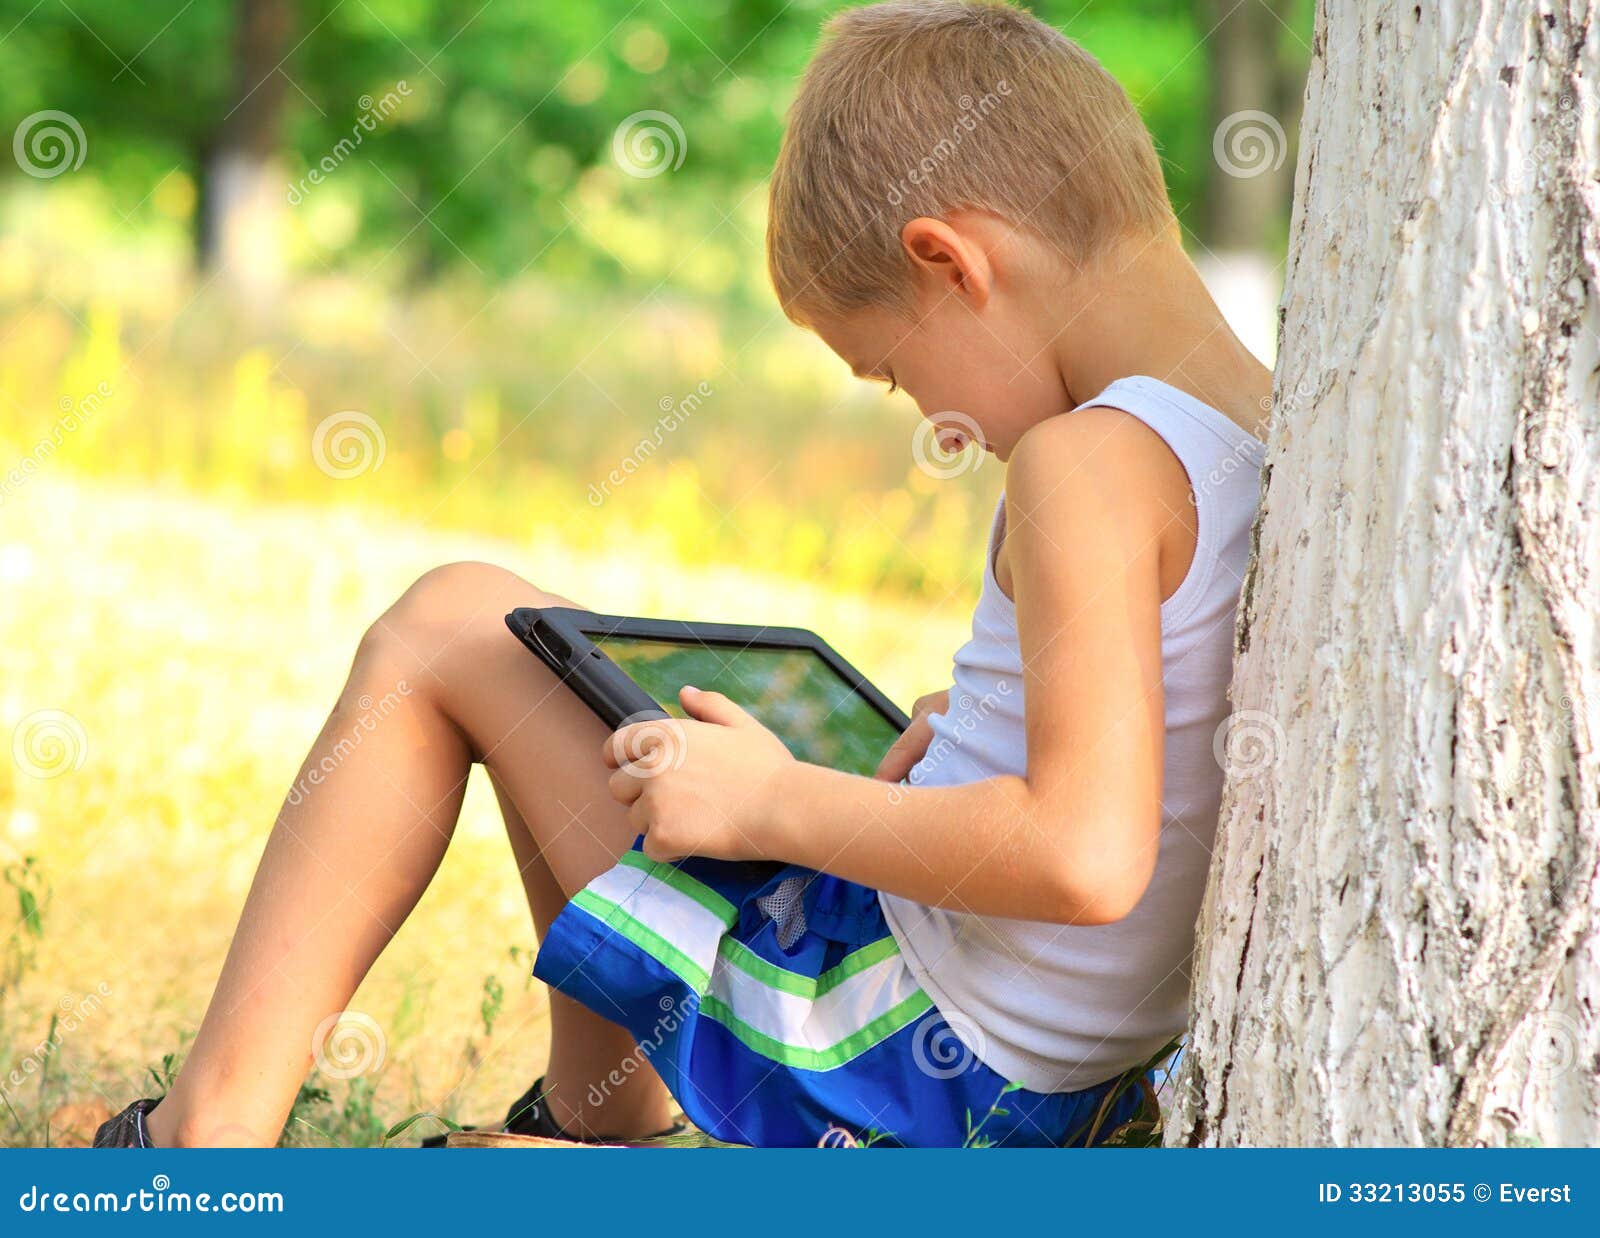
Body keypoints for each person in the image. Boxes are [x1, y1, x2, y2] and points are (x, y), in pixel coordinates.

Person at [97, 0, 1271, 1149]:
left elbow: (1082, 857)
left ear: (950, 263)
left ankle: (207, 1136)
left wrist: (772, 802)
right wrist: (987, 743)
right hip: (1062, 1087)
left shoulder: (1085, 462)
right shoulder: (1270, 427)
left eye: (895, 372)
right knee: (583, 685)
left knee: (456, 627)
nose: (936, 422)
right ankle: (591, 1111)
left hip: (895, 1050)